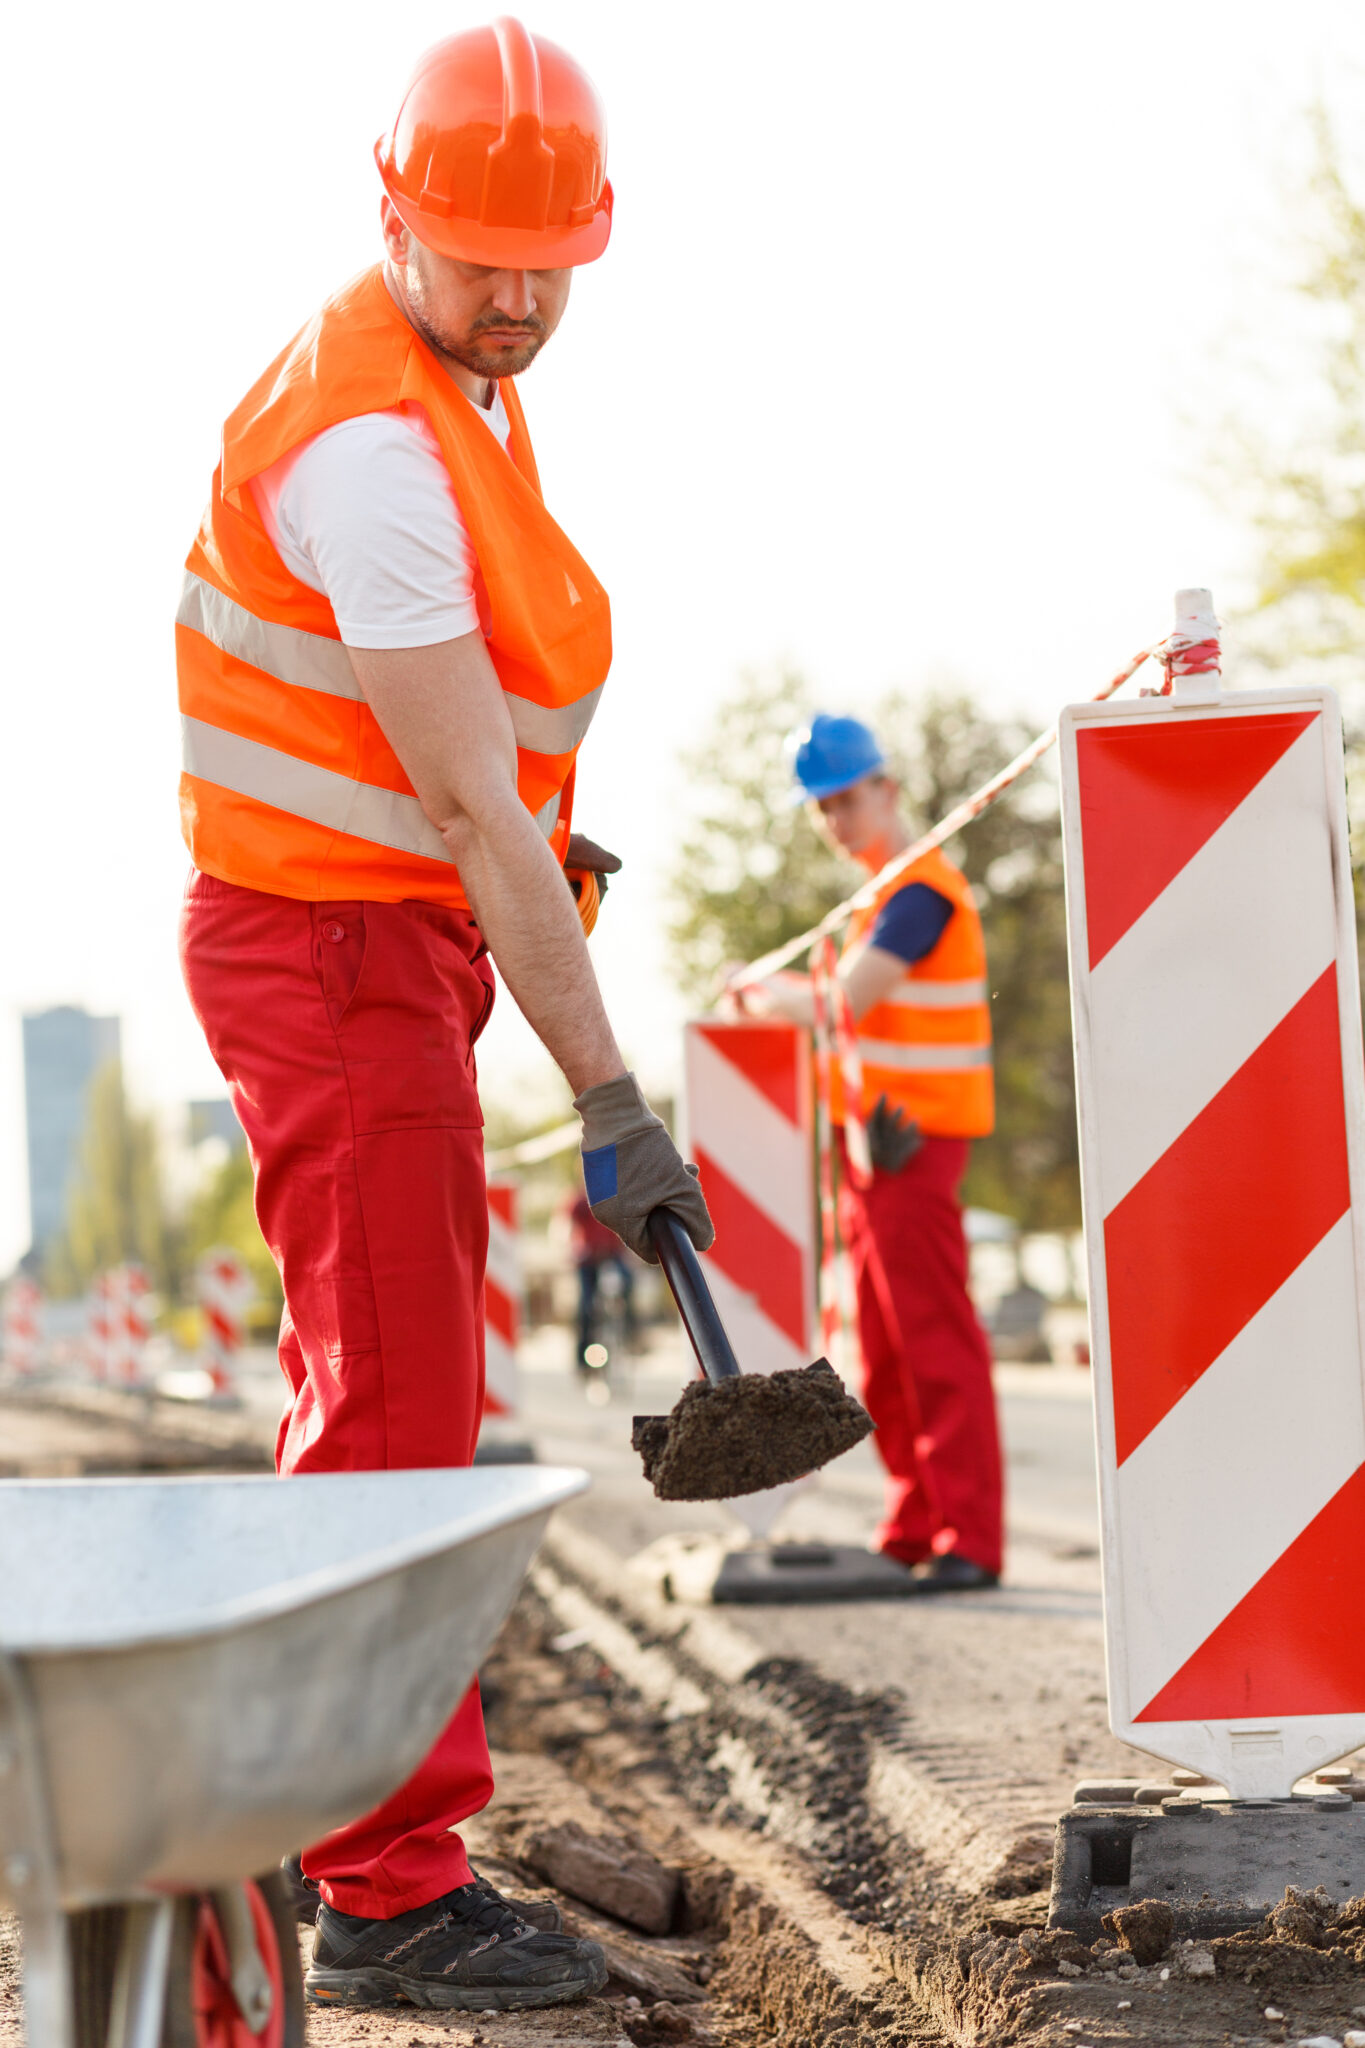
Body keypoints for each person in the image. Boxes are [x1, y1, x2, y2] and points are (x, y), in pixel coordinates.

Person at [176, 21, 712, 2014]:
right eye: (477, 255)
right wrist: (609, 1096)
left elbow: (484, 787)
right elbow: (470, 807)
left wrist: (532, 884)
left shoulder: (458, 378)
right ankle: (386, 1891)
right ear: (391, 216)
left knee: (393, 1388)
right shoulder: (370, 453)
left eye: (542, 261)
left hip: (386, 938)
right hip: (332, 952)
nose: (513, 294)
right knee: (395, 1412)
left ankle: (360, 1835)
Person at [732, 714, 1003, 1592]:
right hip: (875, 1152)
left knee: (933, 1340)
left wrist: (756, 993)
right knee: (887, 1352)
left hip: (914, 1147)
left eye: (847, 798)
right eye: (822, 807)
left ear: (886, 789)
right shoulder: (883, 898)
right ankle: (916, 1523)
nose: (837, 819)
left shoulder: (920, 893)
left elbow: (842, 1005)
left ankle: (969, 1536)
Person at [568, 1183, 637, 1371]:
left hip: (612, 1254)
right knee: (586, 1305)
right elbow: (567, 1226)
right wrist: (571, 1251)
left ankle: (632, 1331)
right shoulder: (580, 1200)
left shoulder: (617, 1196)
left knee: (629, 1281)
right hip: (588, 1257)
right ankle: (581, 1356)